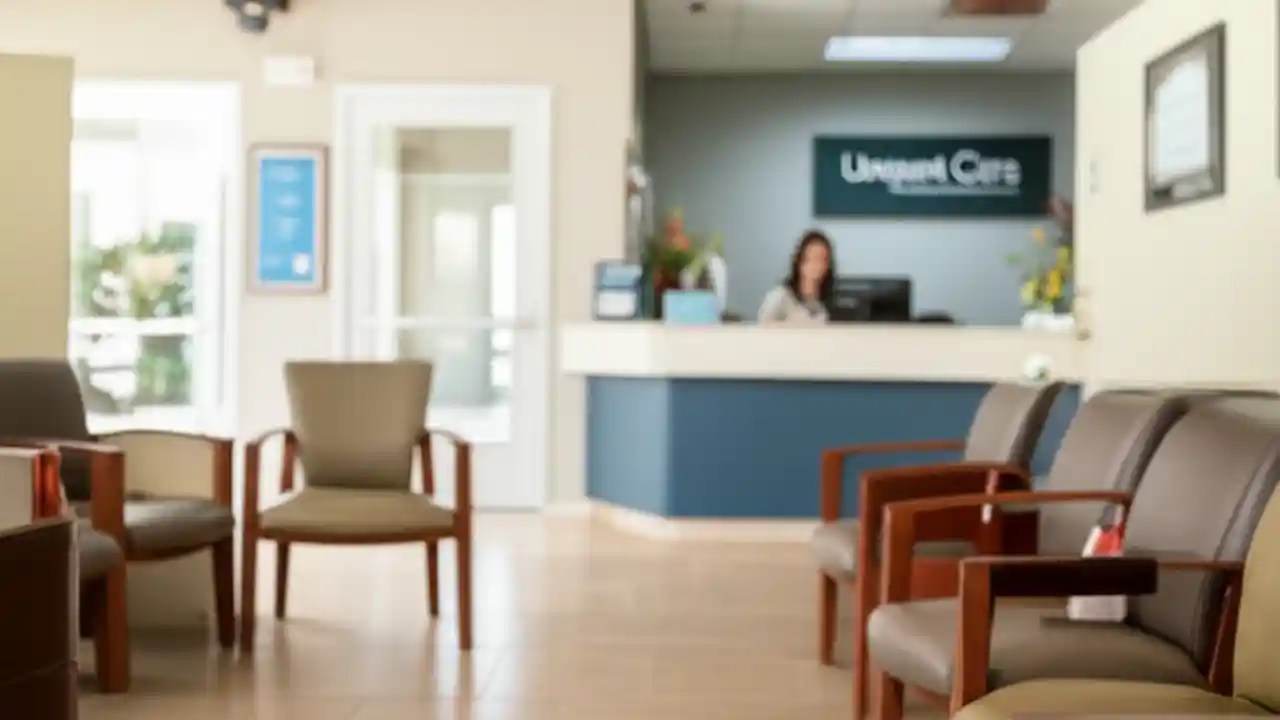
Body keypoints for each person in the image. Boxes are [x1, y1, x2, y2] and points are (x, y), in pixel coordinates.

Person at [758, 230, 835, 324]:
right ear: (800, 262)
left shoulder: (826, 305)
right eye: (814, 258)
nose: (818, 265)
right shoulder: (779, 299)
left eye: (823, 260)